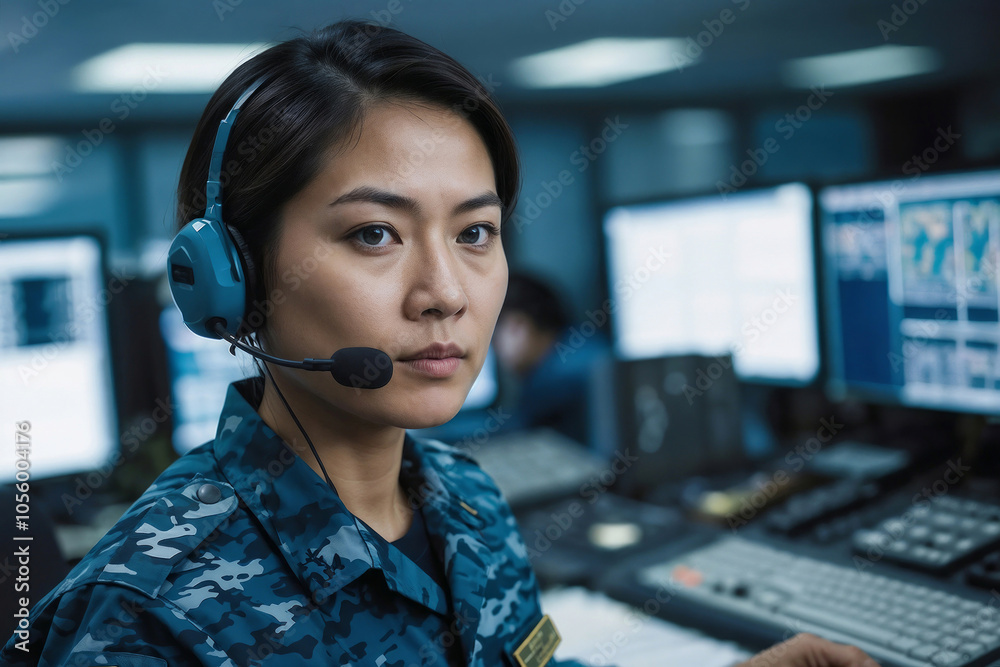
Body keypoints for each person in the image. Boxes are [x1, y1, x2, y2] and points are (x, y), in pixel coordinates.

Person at [1, 19, 879, 667]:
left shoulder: (463, 496)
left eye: (475, 233)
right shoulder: (144, 615)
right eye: (375, 234)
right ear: (232, 276)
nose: (447, 295)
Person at [492, 272, 610, 444]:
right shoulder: (590, 344)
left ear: (516, 327)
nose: (492, 348)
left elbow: (512, 436)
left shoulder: (551, 382)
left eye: (492, 335)